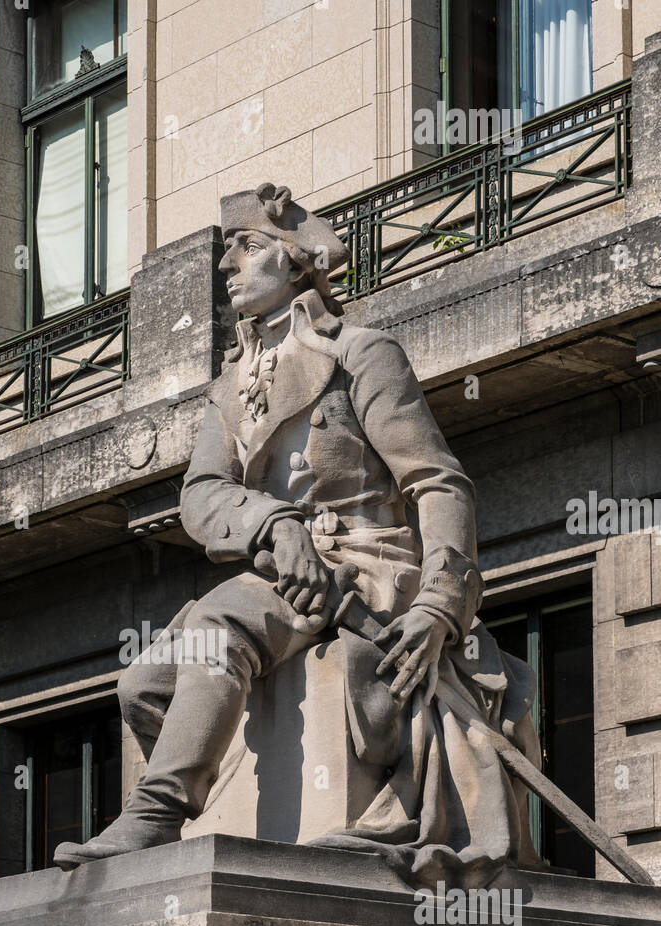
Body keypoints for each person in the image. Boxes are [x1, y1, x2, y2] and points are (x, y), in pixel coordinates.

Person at [55, 183, 542, 887]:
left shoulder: (361, 354)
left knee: (219, 627)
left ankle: (156, 813)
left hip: (368, 567)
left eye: (246, 248)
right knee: (141, 684)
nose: (228, 268)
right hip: (284, 570)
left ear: (293, 265)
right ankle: (202, 819)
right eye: (227, 254)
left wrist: (440, 602)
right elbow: (202, 494)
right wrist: (272, 523)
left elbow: (437, 482)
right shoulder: (231, 386)